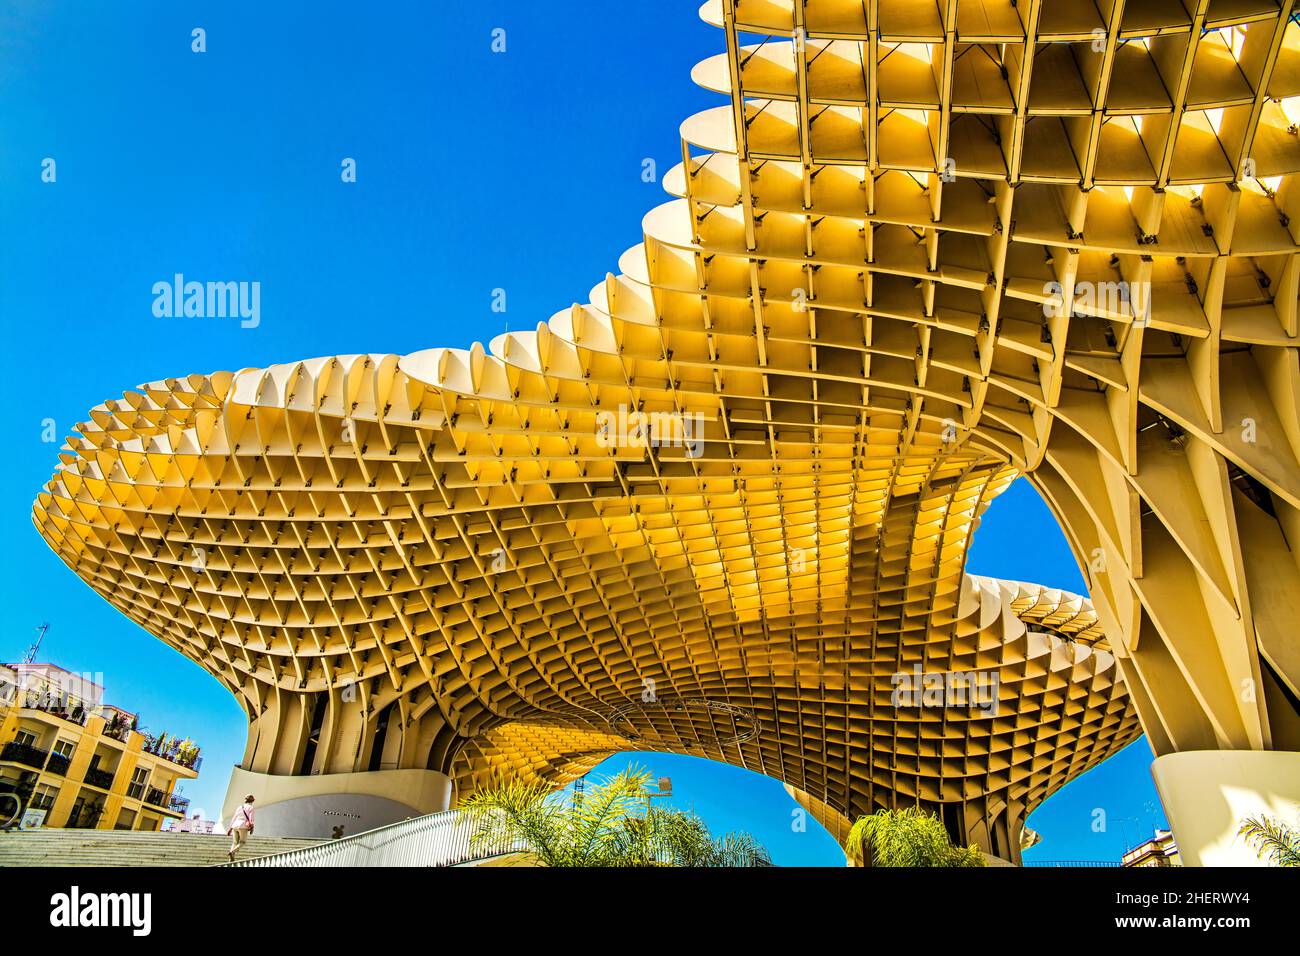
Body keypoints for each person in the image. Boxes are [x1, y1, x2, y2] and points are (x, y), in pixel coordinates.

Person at [227, 794, 255, 862]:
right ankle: (232, 852)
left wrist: (230, 828)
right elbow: (250, 819)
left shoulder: (239, 807)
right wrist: (251, 827)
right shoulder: (251, 808)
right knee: (242, 842)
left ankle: (231, 858)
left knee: (235, 842)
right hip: (243, 826)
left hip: (235, 825)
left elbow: (234, 818)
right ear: (252, 801)